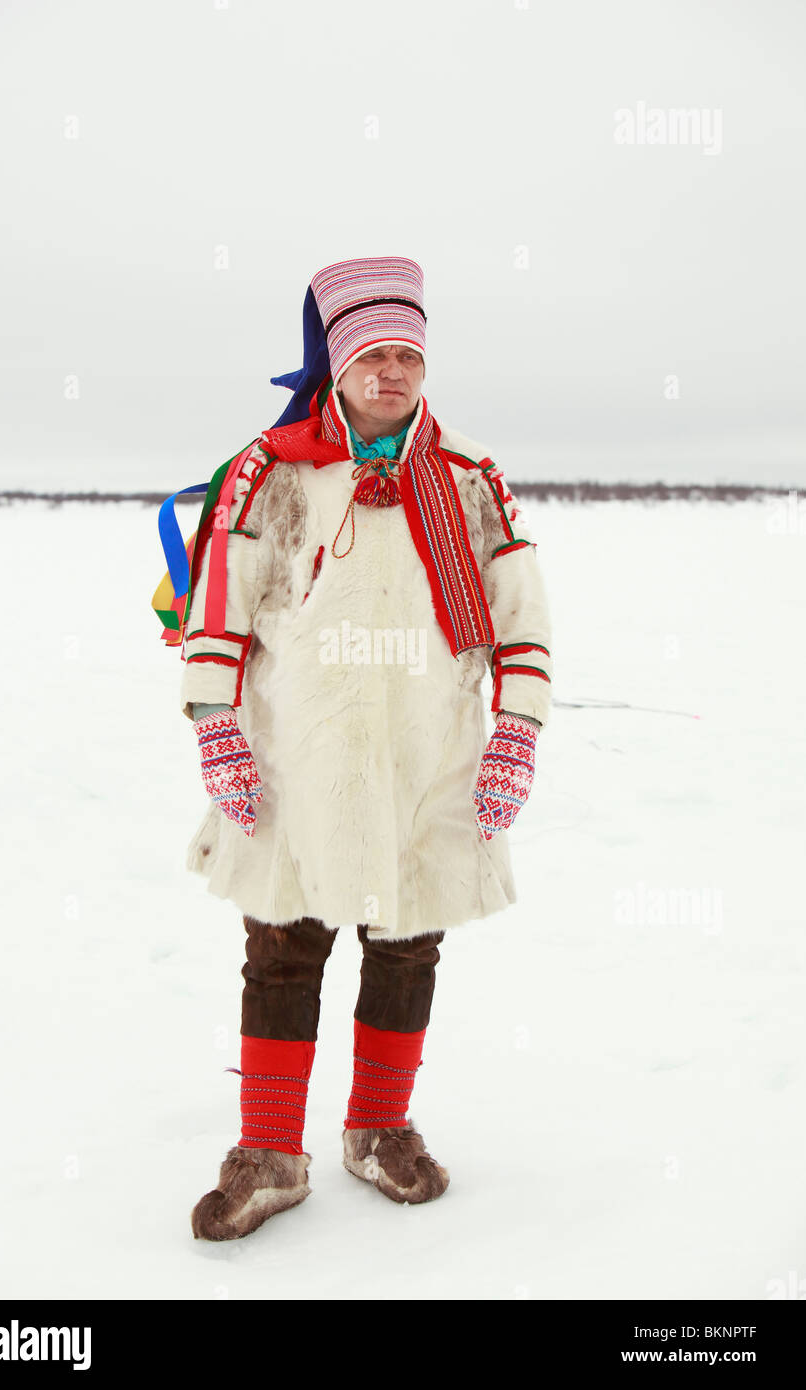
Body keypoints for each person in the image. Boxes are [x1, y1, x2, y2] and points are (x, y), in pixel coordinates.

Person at [176, 256, 553, 1239]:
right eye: (372, 355)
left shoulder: (468, 473)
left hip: (425, 755)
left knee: (407, 939)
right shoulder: (273, 467)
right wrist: (214, 722)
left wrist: (517, 729)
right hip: (296, 756)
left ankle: (377, 1127)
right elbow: (218, 602)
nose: (391, 372)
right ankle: (268, 1152)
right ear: (337, 363)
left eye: (407, 356)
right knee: (282, 943)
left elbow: (520, 612)